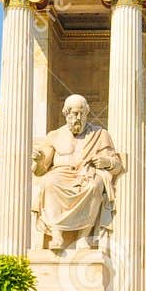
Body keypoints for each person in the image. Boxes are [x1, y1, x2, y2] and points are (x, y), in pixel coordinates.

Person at [31, 95, 123, 250]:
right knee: (49, 182)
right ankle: (57, 234)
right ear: (66, 114)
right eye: (74, 114)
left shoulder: (100, 134)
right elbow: (41, 170)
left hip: (86, 174)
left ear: (87, 113)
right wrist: (39, 160)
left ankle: (83, 236)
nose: (78, 118)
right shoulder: (54, 135)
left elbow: (117, 164)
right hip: (60, 175)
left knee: (95, 185)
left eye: (82, 114)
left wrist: (106, 162)